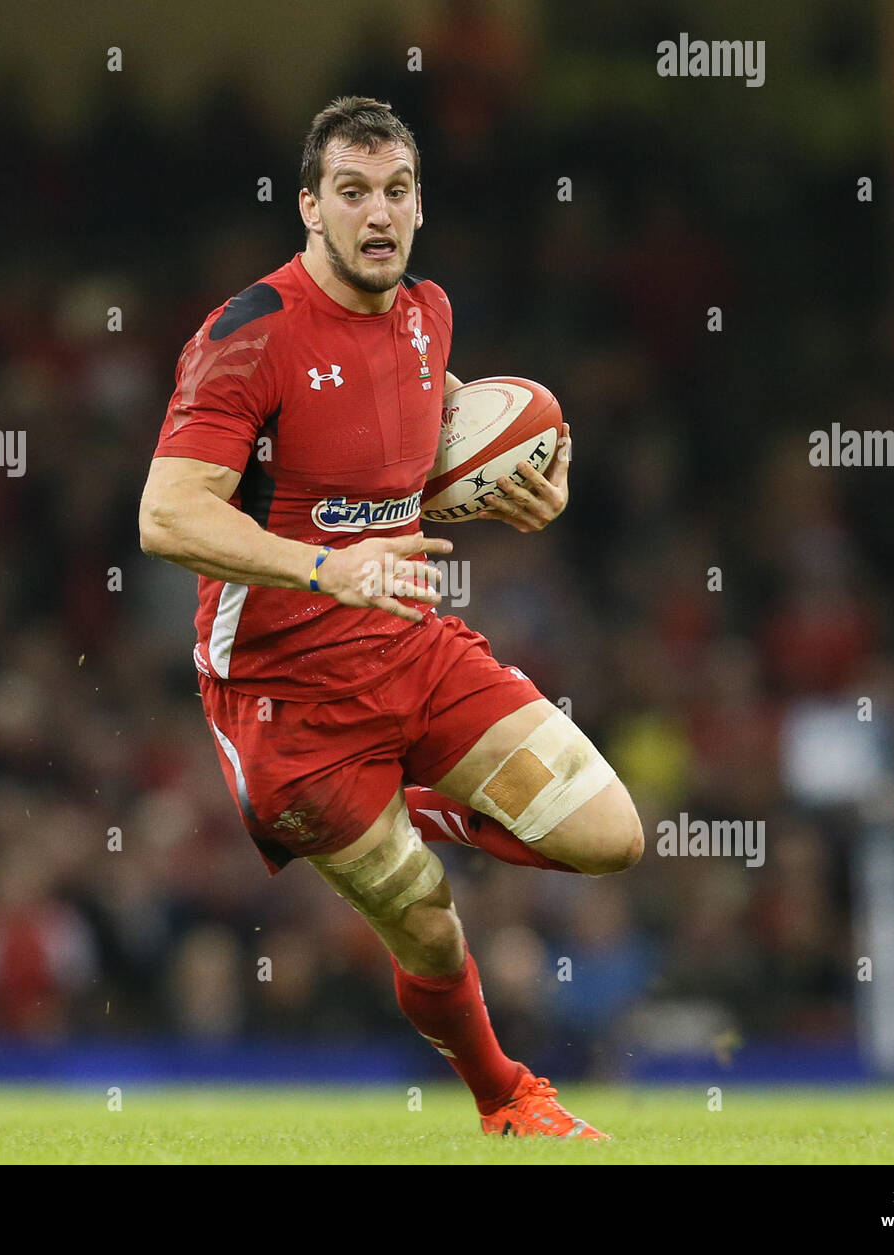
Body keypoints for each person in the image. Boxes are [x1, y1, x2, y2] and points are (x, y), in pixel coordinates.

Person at [139, 96, 643, 1138]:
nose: (378, 213)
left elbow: (434, 419)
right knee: (425, 923)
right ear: (309, 208)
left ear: (419, 205)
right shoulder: (247, 337)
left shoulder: (428, 314)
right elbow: (165, 514)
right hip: (286, 696)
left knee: (612, 837)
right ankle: (504, 1094)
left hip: (412, 648)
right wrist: (329, 567)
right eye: (354, 191)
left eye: (397, 191)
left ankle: (407, 803)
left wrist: (528, 480)